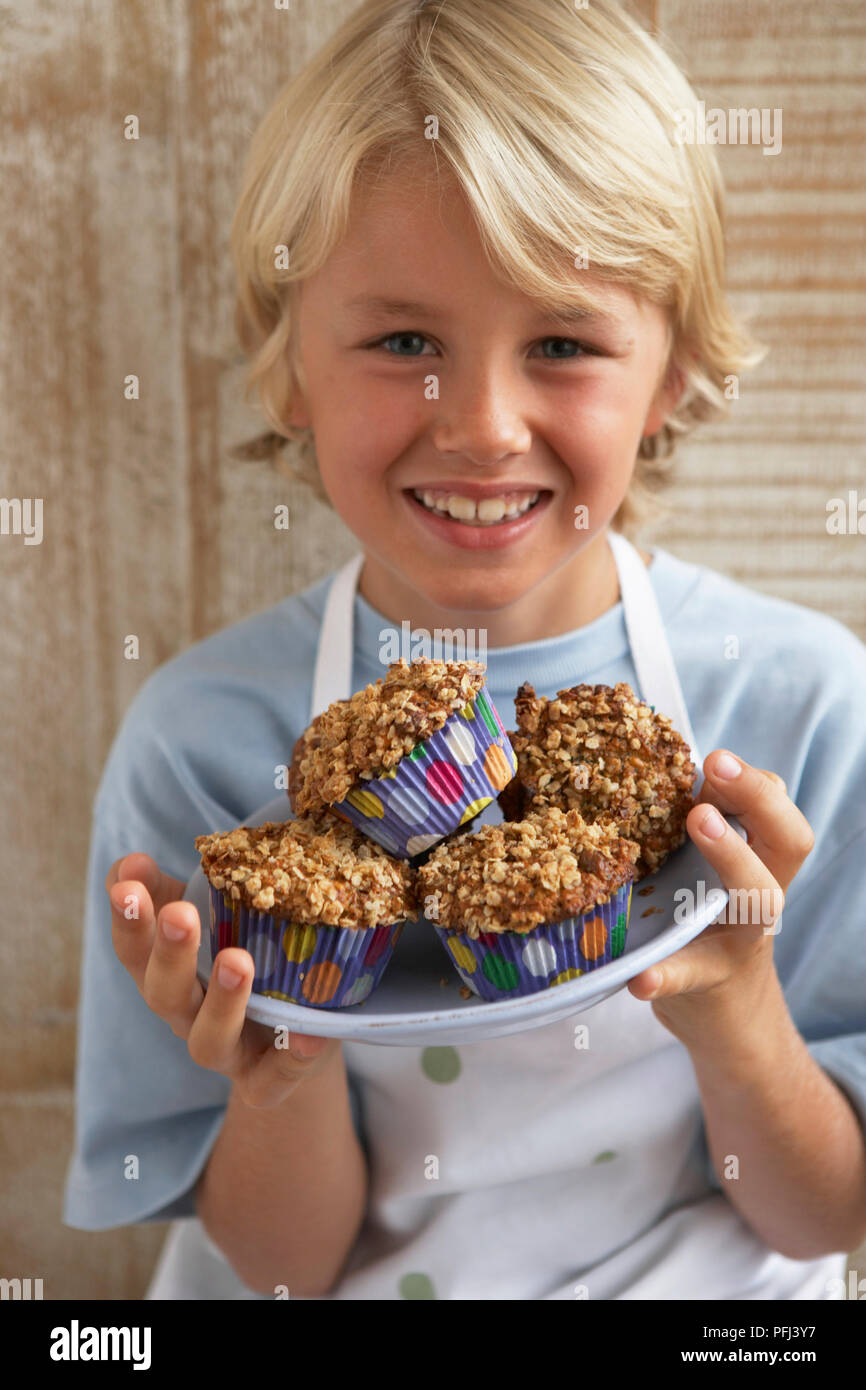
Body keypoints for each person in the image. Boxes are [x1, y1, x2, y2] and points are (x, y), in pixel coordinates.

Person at [63, 0, 866, 1299]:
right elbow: (280, 1266)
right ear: (290, 375)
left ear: (668, 375)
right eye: (401, 342)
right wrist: (285, 1057)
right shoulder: (203, 743)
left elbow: (821, 1206)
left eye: (561, 343)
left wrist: (731, 1005)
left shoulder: (798, 712)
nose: (484, 424)